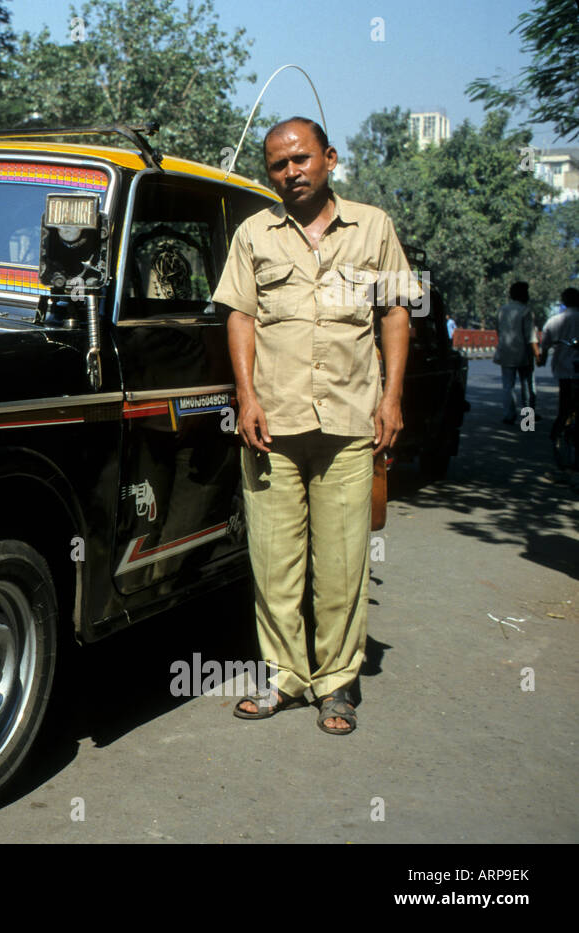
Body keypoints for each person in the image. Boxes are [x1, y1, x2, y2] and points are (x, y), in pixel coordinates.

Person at [213, 117, 413, 736]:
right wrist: (246, 397)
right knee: (274, 562)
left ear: (328, 157)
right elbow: (240, 317)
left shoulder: (373, 226)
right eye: (277, 165)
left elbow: (396, 310)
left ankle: (335, 685)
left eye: (300, 159)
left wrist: (392, 398)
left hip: (351, 421)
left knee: (343, 563)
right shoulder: (254, 234)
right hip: (273, 423)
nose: (290, 172)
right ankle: (285, 679)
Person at [538, 287, 579, 450]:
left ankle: (559, 428)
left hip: (563, 369)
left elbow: (545, 345)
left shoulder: (554, 321)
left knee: (565, 401)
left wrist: (542, 359)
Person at [496, 282, 538, 424]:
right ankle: (528, 420)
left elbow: (498, 331)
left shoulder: (502, 310)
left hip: (505, 352)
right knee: (527, 387)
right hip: (523, 355)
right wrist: (537, 355)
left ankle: (509, 415)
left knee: (508, 386)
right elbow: (530, 337)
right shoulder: (526, 311)